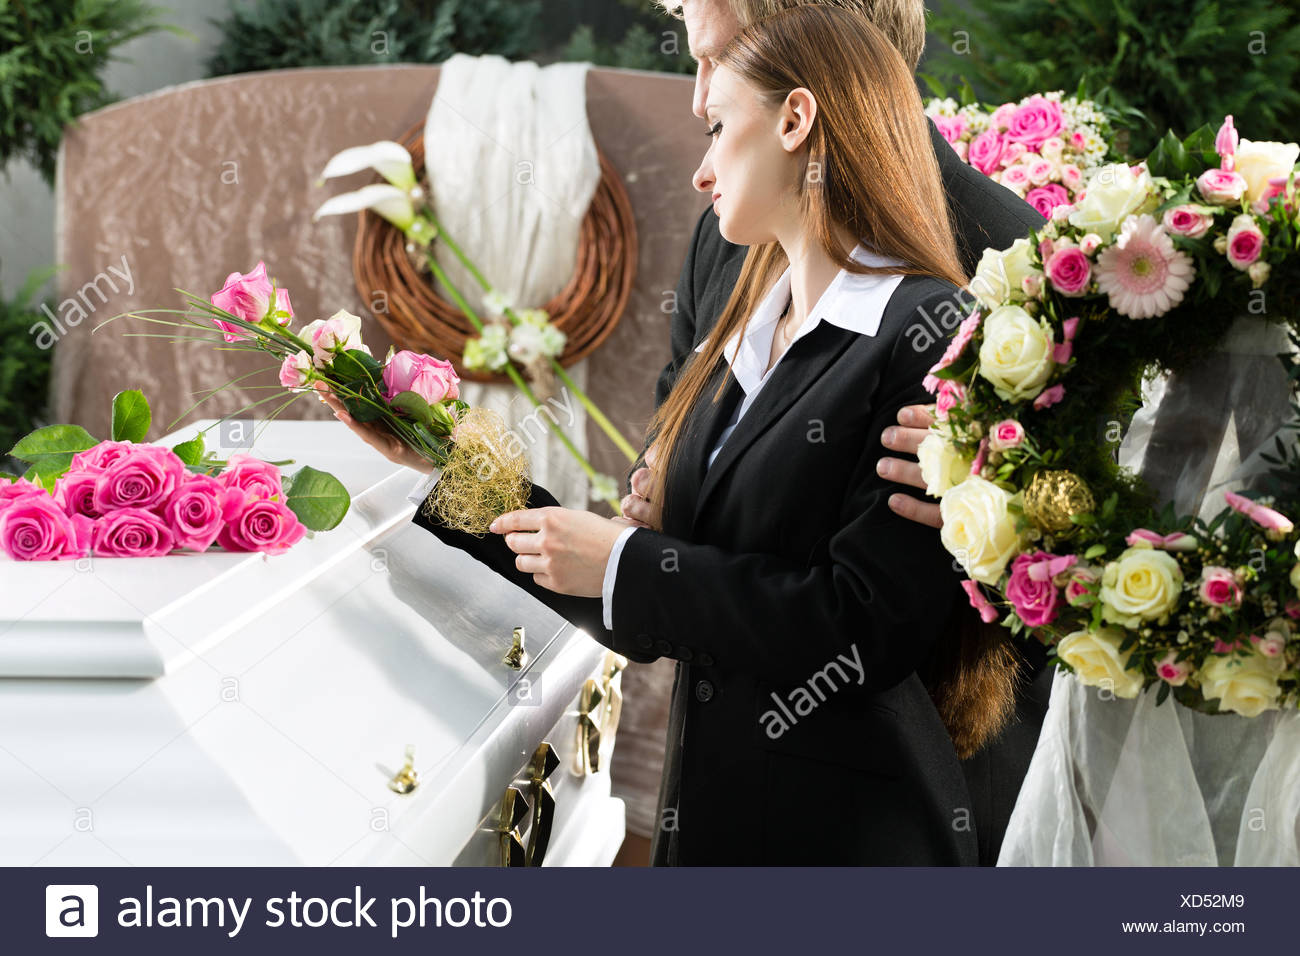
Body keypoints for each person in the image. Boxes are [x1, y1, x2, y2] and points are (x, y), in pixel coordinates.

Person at [325, 4, 1010, 864]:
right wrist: (447, 459)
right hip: (713, 820)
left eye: (720, 125)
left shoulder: (930, 329)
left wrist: (622, 563)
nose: (698, 172)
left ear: (796, 120)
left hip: (851, 839)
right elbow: (656, 599)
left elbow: (861, 627)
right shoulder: (744, 320)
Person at [625, 0, 1050, 866]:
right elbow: (677, 441)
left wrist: (1017, 507)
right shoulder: (725, 239)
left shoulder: (1008, 248)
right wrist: (654, 505)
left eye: (724, 62)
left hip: (921, 792)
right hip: (735, 783)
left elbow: (1075, 538)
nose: (698, 98)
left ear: (800, 88)